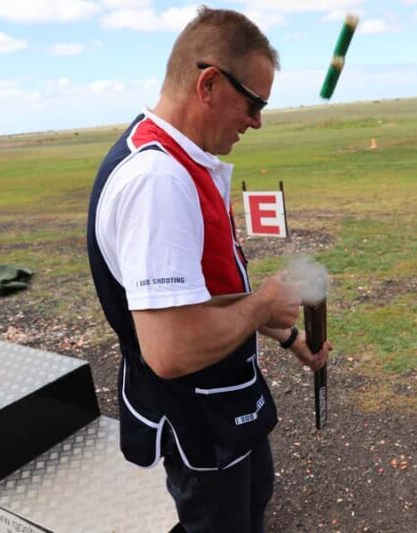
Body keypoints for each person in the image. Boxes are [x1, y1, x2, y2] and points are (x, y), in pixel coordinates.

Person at [86, 7, 331, 532]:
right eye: (255, 102)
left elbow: (200, 296)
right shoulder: (159, 180)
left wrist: (286, 337)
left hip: (224, 408)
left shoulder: (179, 160)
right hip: (200, 419)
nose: (257, 120)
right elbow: (171, 349)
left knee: (252, 504)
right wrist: (265, 303)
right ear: (210, 84)